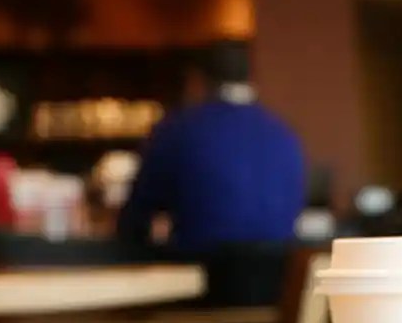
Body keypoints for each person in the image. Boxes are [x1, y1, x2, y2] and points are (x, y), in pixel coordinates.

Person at [118, 41, 306, 255]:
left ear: (196, 80)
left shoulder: (179, 130)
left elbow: (137, 215)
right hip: (278, 274)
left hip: (204, 270)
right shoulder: (282, 133)